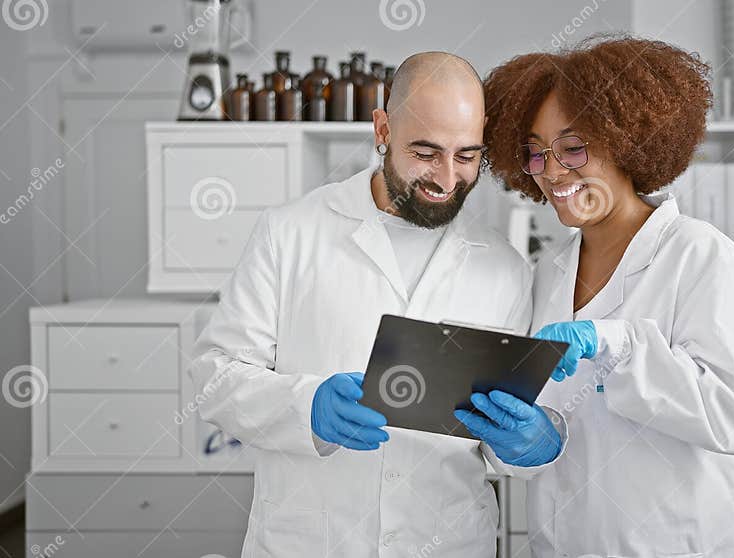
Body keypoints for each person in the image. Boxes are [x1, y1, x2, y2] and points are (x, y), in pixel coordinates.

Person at [191, 51, 566, 558]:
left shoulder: (505, 268)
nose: (446, 179)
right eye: (426, 153)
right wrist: (307, 407)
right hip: (312, 543)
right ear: (383, 129)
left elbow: (505, 445)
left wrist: (530, 444)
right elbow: (214, 377)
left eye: (466, 156)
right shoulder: (290, 232)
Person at [477, 36, 734, 557]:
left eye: (573, 147)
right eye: (536, 153)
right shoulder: (548, 275)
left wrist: (619, 347)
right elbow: (549, 424)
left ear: (626, 140)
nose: (552, 172)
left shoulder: (701, 256)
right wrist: (525, 444)